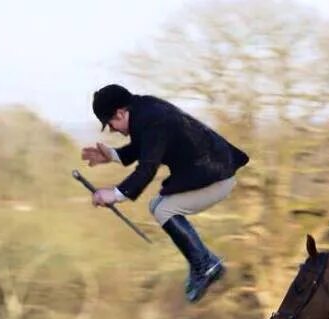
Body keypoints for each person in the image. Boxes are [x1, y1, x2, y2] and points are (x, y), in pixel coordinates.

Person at [81, 84, 249, 303]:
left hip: (216, 177)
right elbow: (143, 148)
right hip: (211, 172)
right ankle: (204, 262)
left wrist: (115, 194)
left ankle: (206, 265)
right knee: (156, 206)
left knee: (164, 209)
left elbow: (147, 167)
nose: (112, 130)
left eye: (110, 123)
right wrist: (112, 155)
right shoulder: (146, 110)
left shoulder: (152, 121)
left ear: (121, 113)